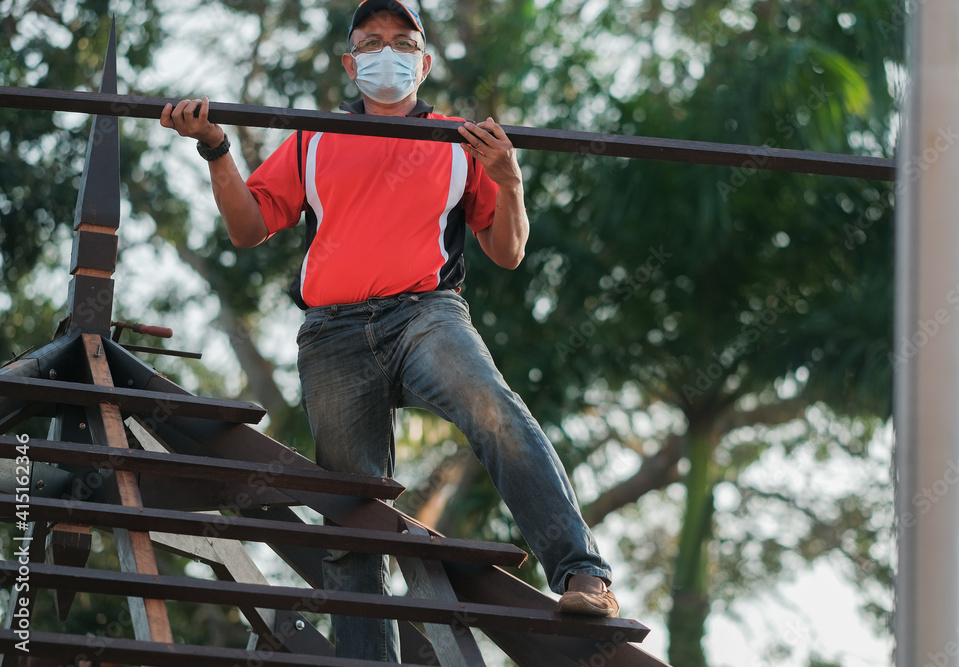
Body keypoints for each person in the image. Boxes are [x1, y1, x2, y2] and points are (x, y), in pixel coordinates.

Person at [160, 0, 617, 660]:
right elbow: (248, 227)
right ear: (351, 65)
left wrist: (510, 180)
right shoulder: (314, 137)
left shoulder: (461, 141)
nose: (387, 53)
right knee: (351, 512)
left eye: (403, 42)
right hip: (333, 333)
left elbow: (508, 251)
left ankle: (582, 572)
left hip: (425, 314)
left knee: (493, 408)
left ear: (424, 63)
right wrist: (215, 148)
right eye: (371, 42)